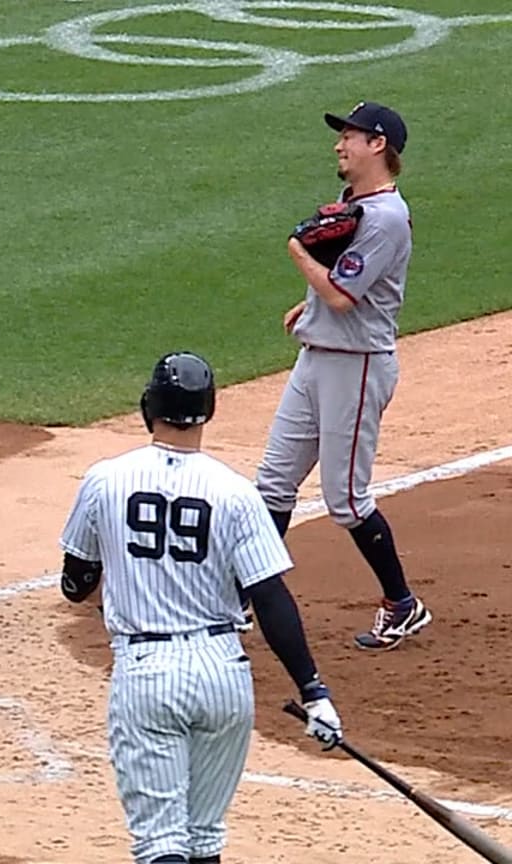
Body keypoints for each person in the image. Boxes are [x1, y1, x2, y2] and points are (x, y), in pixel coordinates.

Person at [59, 351, 342, 864]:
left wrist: (118, 575)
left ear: (150, 407)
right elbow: (271, 597)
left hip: (146, 673)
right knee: (203, 839)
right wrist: (313, 691)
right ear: (208, 410)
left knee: (161, 844)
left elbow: (75, 584)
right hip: (223, 675)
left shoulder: (105, 479)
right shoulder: (236, 492)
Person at [251, 101, 430, 651]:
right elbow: (333, 292)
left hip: (356, 367)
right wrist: (308, 306)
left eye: (349, 136)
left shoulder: (386, 218)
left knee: (346, 500)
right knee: (273, 482)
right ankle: (239, 596)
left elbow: (343, 293)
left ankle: (402, 604)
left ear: (378, 145)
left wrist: (299, 256)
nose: (339, 145)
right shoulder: (358, 203)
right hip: (318, 355)